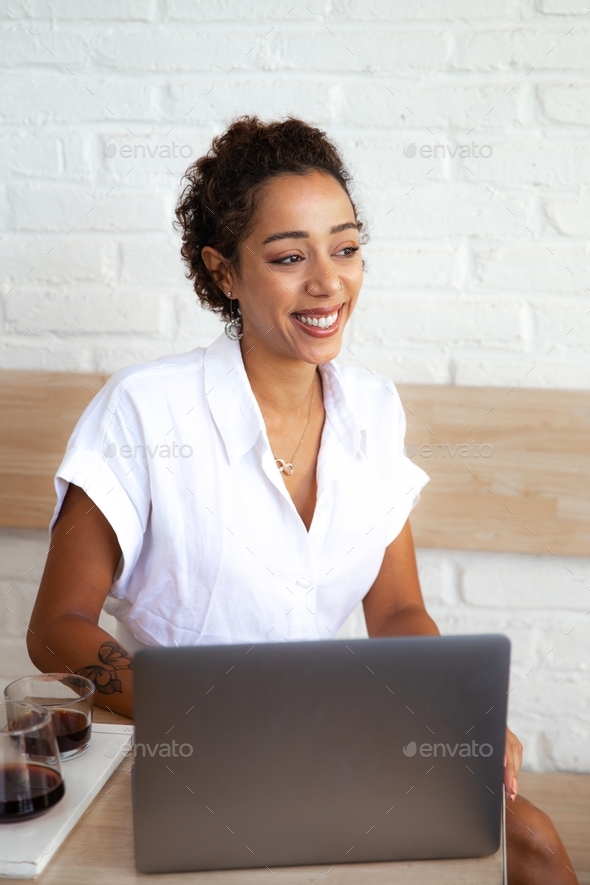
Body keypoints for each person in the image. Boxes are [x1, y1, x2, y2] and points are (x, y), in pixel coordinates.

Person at [28, 115, 577, 885]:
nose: (328, 282)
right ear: (224, 272)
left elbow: (396, 615)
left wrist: (459, 718)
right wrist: (201, 711)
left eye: (346, 248)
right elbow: (55, 631)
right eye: (289, 256)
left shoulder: (374, 412)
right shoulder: (144, 411)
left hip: (336, 737)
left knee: (535, 844)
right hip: (190, 756)